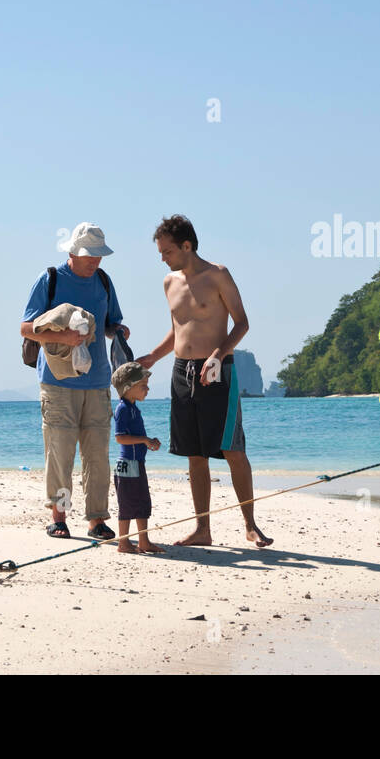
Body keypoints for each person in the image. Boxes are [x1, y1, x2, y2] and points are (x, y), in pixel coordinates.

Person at [136, 215, 272, 548]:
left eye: (167, 251)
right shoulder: (170, 282)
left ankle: (250, 525)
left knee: (231, 449)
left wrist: (217, 355)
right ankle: (202, 529)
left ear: (187, 245)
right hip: (181, 372)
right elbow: (178, 330)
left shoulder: (218, 276)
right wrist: (153, 356)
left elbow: (241, 323)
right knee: (194, 453)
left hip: (217, 371)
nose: (162, 258)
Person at [20, 222, 131, 541]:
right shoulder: (51, 279)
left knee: (97, 454)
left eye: (99, 255)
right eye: (89, 255)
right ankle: (59, 517)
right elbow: (26, 328)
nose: (95, 260)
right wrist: (64, 336)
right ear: (72, 252)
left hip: (97, 382)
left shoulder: (104, 282)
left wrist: (119, 331)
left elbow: (112, 323)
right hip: (56, 381)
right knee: (60, 453)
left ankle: (96, 519)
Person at [110, 362, 164, 555]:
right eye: (143, 385)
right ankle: (123, 542)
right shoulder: (122, 409)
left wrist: (149, 442)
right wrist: (143, 439)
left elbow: (137, 436)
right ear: (128, 388)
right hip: (126, 464)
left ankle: (144, 540)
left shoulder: (133, 408)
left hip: (137, 463)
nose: (148, 389)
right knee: (127, 504)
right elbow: (119, 438)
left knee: (142, 502)